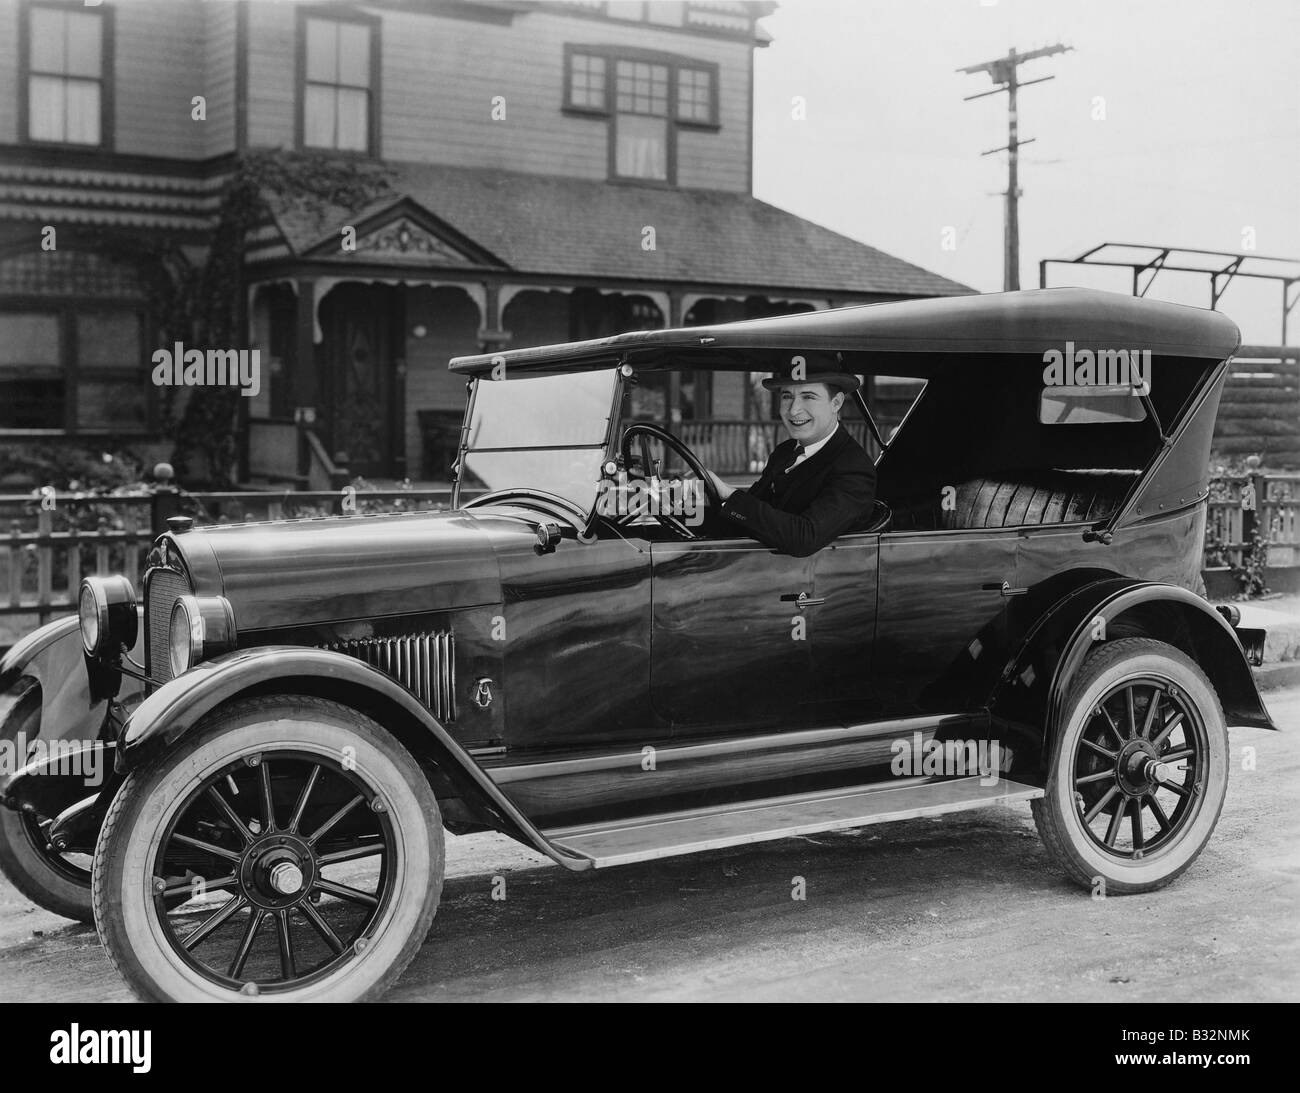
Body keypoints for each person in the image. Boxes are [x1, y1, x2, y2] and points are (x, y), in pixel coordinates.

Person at [704, 352, 877, 557]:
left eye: (808, 397)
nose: (794, 410)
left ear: (836, 403)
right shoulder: (785, 452)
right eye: (787, 396)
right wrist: (681, 511)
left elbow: (804, 538)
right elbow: (750, 515)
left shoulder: (853, 468)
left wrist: (731, 495)